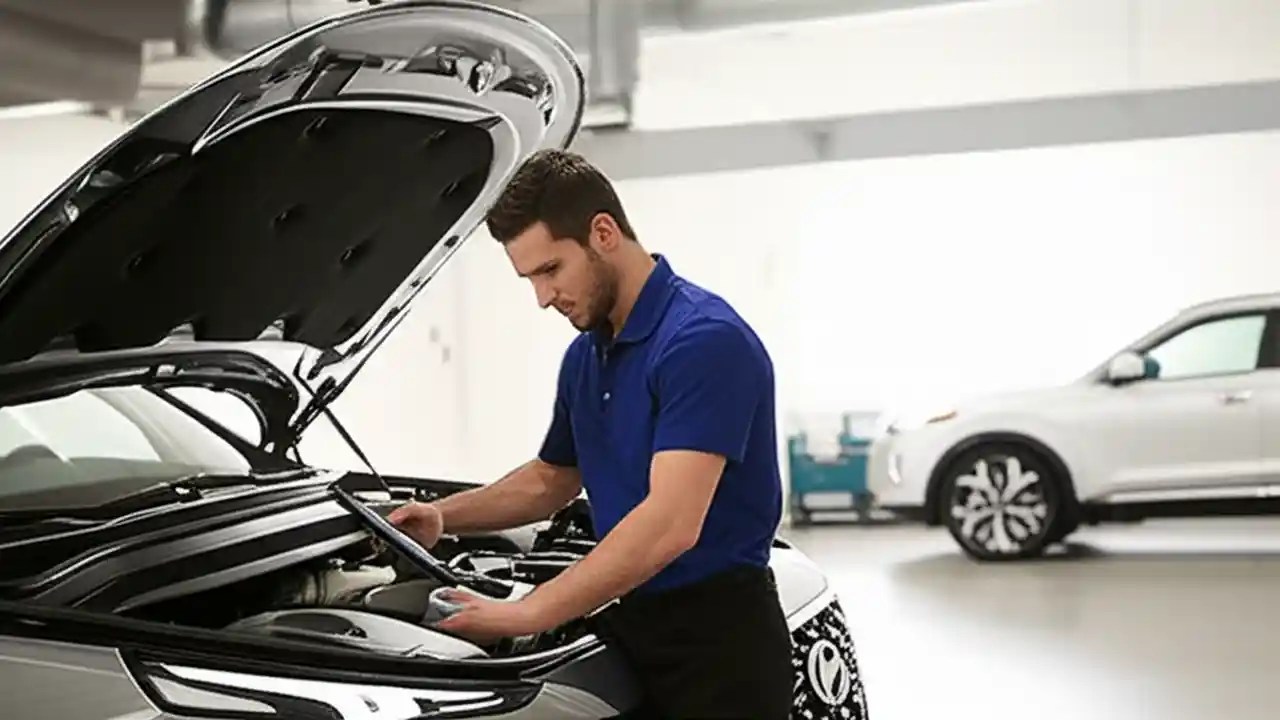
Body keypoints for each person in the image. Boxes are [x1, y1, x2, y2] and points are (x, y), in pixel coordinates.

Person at [388, 148, 792, 719]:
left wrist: (528, 612)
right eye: (529, 279)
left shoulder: (703, 342)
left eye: (550, 270)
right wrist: (443, 516)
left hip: (719, 649)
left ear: (603, 232)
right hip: (629, 624)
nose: (542, 297)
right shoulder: (587, 355)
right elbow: (550, 479)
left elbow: (669, 525)